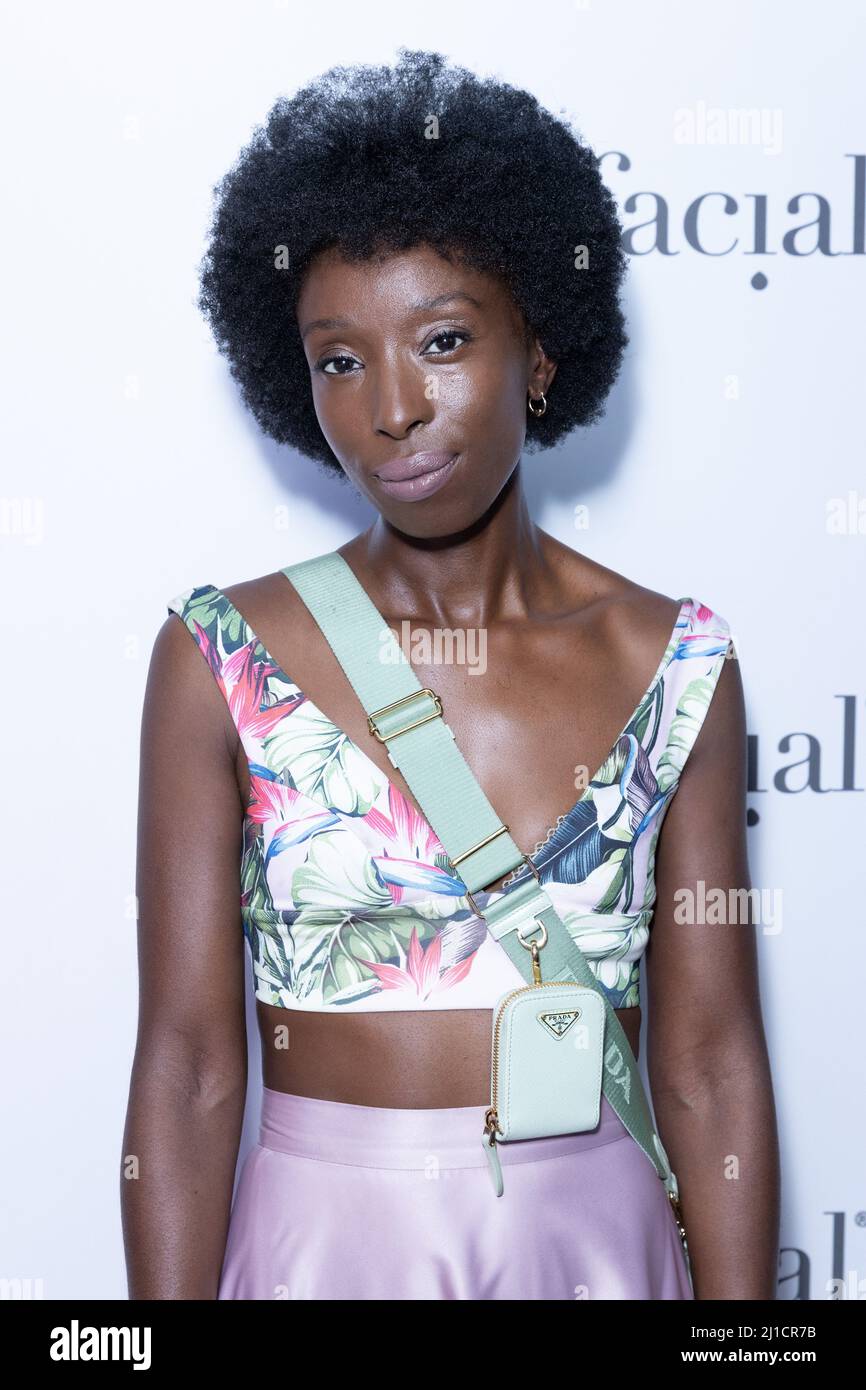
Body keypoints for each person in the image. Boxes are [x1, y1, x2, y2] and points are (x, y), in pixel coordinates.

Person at [122, 48, 780, 1300]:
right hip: (326, 1244)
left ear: (537, 349)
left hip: (593, 1243)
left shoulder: (677, 659)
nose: (392, 409)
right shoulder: (218, 658)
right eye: (338, 359)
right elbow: (193, 1063)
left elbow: (704, 1058)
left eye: (440, 340)